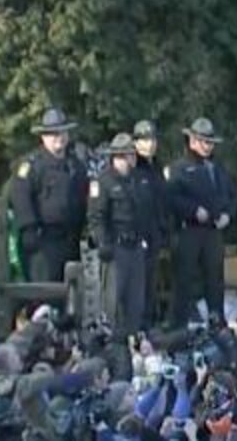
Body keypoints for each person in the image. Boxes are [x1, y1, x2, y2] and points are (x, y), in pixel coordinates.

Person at [166, 117, 237, 327]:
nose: (208, 147)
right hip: (190, 230)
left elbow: (232, 196)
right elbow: (172, 198)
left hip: (213, 231)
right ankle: (178, 324)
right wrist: (193, 211)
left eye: (211, 143)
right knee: (184, 279)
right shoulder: (179, 168)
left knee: (215, 279)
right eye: (204, 142)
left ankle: (217, 322)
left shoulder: (217, 168)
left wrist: (228, 214)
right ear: (192, 141)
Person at [88, 133, 158, 336]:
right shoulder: (103, 181)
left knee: (136, 300)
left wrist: (151, 238)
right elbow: (96, 217)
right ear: (115, 157)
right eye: (124, 156)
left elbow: (146, 213)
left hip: (136, 246)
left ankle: (134, 337)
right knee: (114, 300)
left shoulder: (139, 180)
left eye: (131, 155)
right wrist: (103, 243)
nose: (129, 159)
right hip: (116, 247)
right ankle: (114, 340)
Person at [10, 108, 89, 282]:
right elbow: (20, 197)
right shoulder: (32, 166)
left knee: (71, 297)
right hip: (44, 241)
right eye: (53, 133)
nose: (59, 137)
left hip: (70, 241)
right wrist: (29, 230)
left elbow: (85, 197)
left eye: (62, 132)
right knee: (44, 298)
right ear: (43, 137)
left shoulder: (75, 165)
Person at [131, 120, 169, 331]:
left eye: (152, 139)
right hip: (136, 235)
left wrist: (162, 229)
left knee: (150, 281)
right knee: (137, 283)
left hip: (154, 233)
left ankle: (148, 322)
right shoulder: (133, 168)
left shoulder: (157, 168)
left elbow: (161, 200)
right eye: (144, 139)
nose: (150, 144)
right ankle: (137, 326)